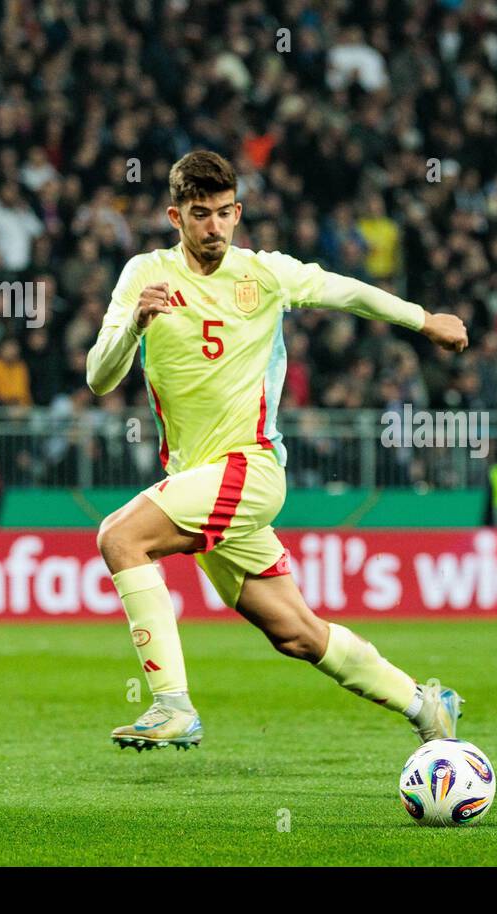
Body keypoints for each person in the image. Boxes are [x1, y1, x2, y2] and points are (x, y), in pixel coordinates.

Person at [87, 150, 469, 751]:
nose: (213, 227)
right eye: (198, 214)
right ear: (174, 216)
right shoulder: (145, 275)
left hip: (250, 467)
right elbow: (98, 378)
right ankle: (426, 708)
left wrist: (424, 321)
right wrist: (135, 323)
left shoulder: (263, 274)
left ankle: (171, 705)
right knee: (295, 633)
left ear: (237, 212)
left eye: (223, 213)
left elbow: (345, 291)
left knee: (120, 537)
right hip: (200, 479)